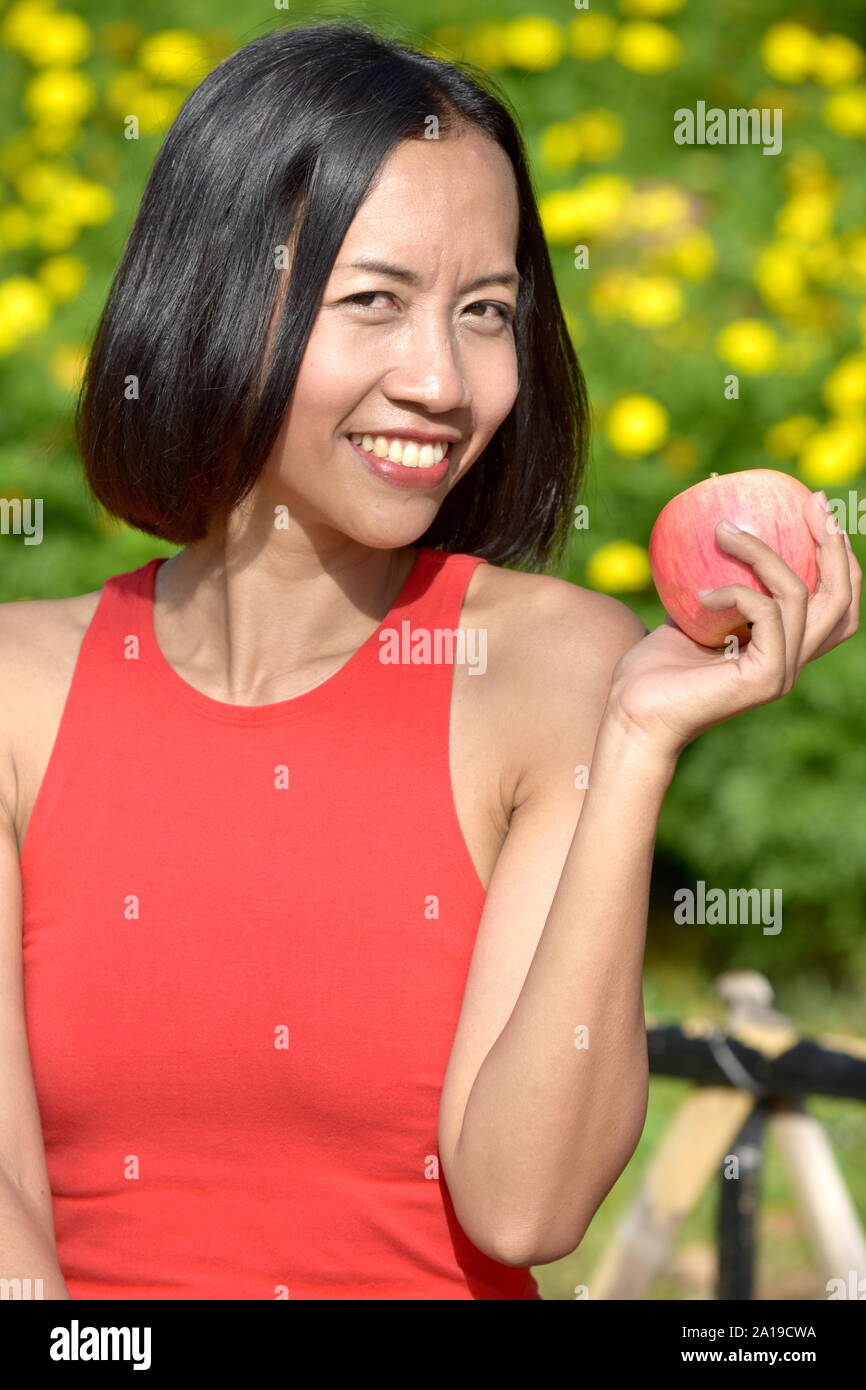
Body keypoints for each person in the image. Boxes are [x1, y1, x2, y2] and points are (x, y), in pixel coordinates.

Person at [0, 19, 859, 1302]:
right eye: (374, 300)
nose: (441, 380)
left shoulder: (554, 668)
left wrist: (631, 752)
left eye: (484, 312)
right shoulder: (19, 691)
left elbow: (525, 1204)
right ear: (215, 291)